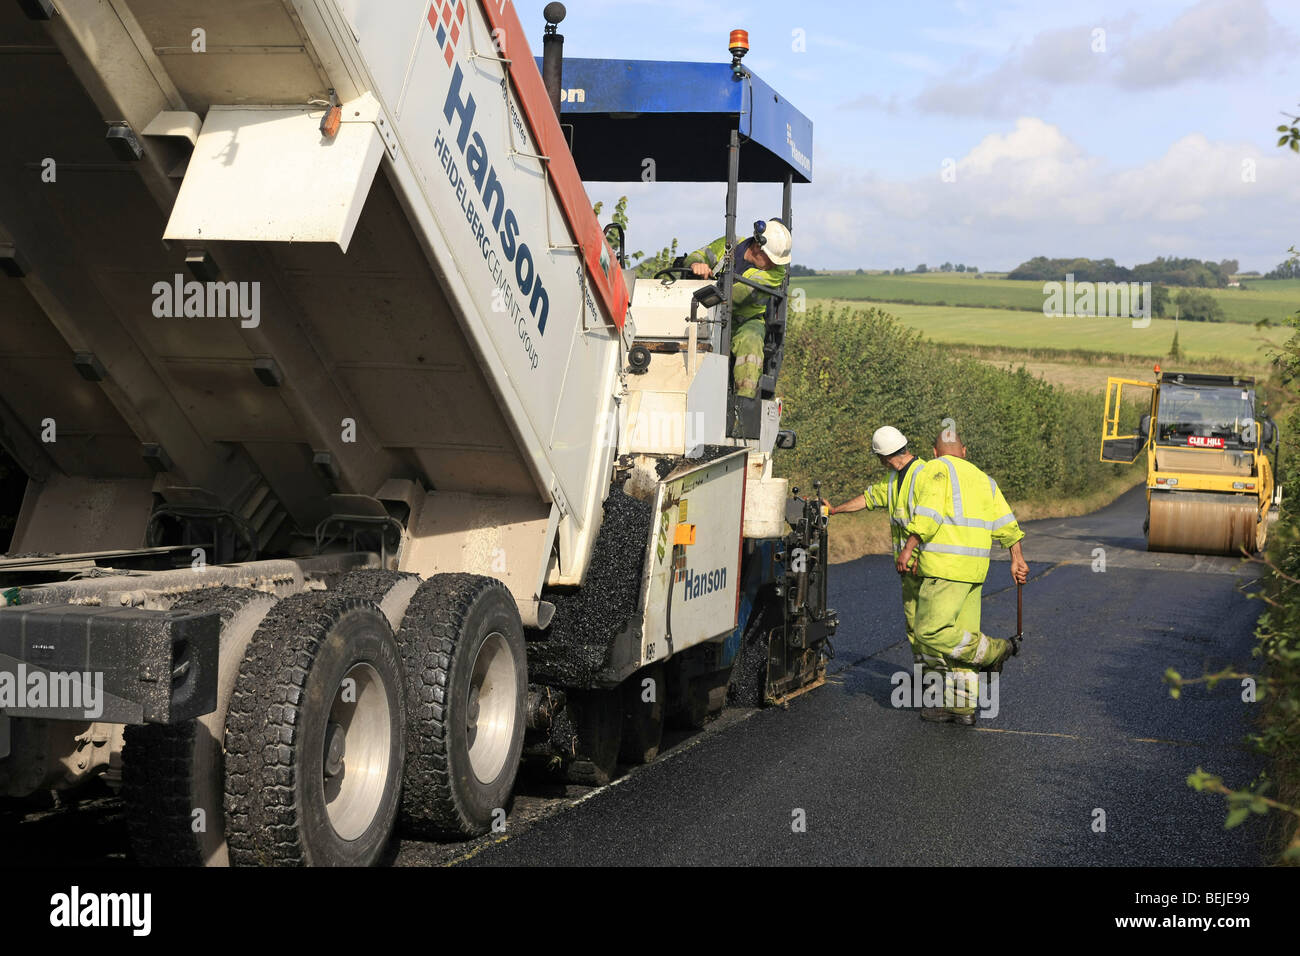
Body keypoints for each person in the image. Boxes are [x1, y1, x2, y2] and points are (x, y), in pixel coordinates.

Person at [896, 428, 1029, 725]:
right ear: (965, 451)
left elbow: (929, 514)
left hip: (945, 570)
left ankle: (994, 651)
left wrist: (909, 548)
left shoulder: (936, 469)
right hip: (975, 573)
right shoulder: (986, 480)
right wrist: (1017, 558)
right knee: (959, 641)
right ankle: (960, 708)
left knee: (929, 631)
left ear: (934, 452)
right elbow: (1007, 523)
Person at [824, 426, 928, 663]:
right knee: (914, 622)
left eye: (880, 458)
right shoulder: (892, 478)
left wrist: (919, 555)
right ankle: (926, 673)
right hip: (907, 565)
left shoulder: (925, 474)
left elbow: (932, 520)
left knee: (932, 623)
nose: (880, 462)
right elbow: (869, 498)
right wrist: (835, 510)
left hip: (927, 564)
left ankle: (944, 673)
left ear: (886, 456)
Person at [684, 218, 792, 398]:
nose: (775, 265)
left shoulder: (776, 273)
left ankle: (743, 405)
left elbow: (737, 296)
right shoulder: (729, 244)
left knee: (751, 341)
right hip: (704, 312)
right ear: (758, 247)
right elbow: (698, 255)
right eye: (772, 260)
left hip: (744, 321)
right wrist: (696, 264)